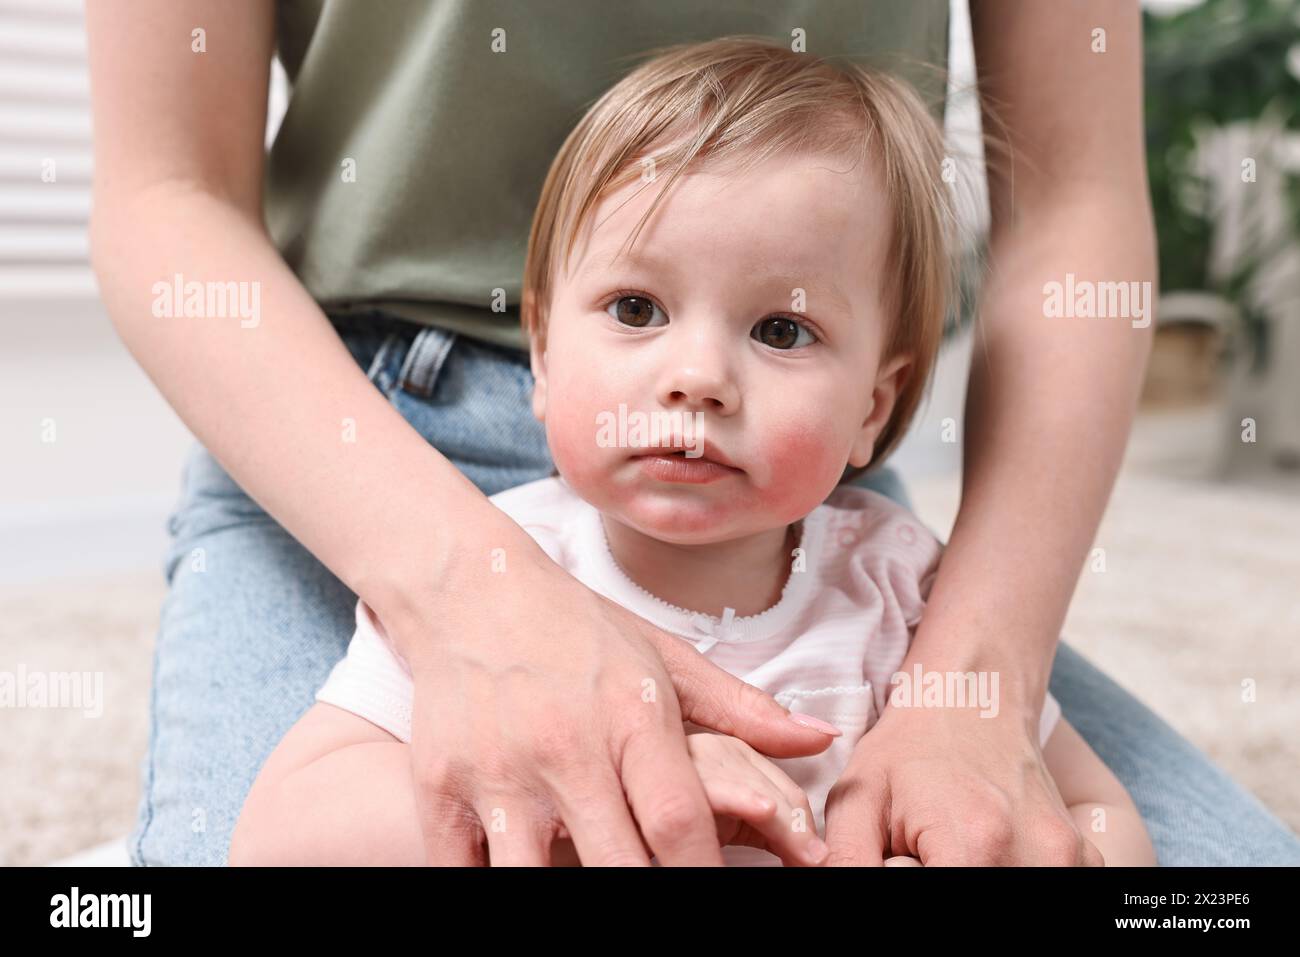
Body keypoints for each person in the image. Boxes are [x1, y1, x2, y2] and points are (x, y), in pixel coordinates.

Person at [84, 0, 1300, 866]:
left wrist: (972, 704)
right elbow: (289, 838)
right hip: (360, 442)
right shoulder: (536, 539)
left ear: (879, 403)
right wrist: (615, 810)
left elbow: (1091, 827)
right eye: (635, 311)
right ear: (554, 342)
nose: (697, 378)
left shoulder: (885, 583)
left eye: (780, 329)